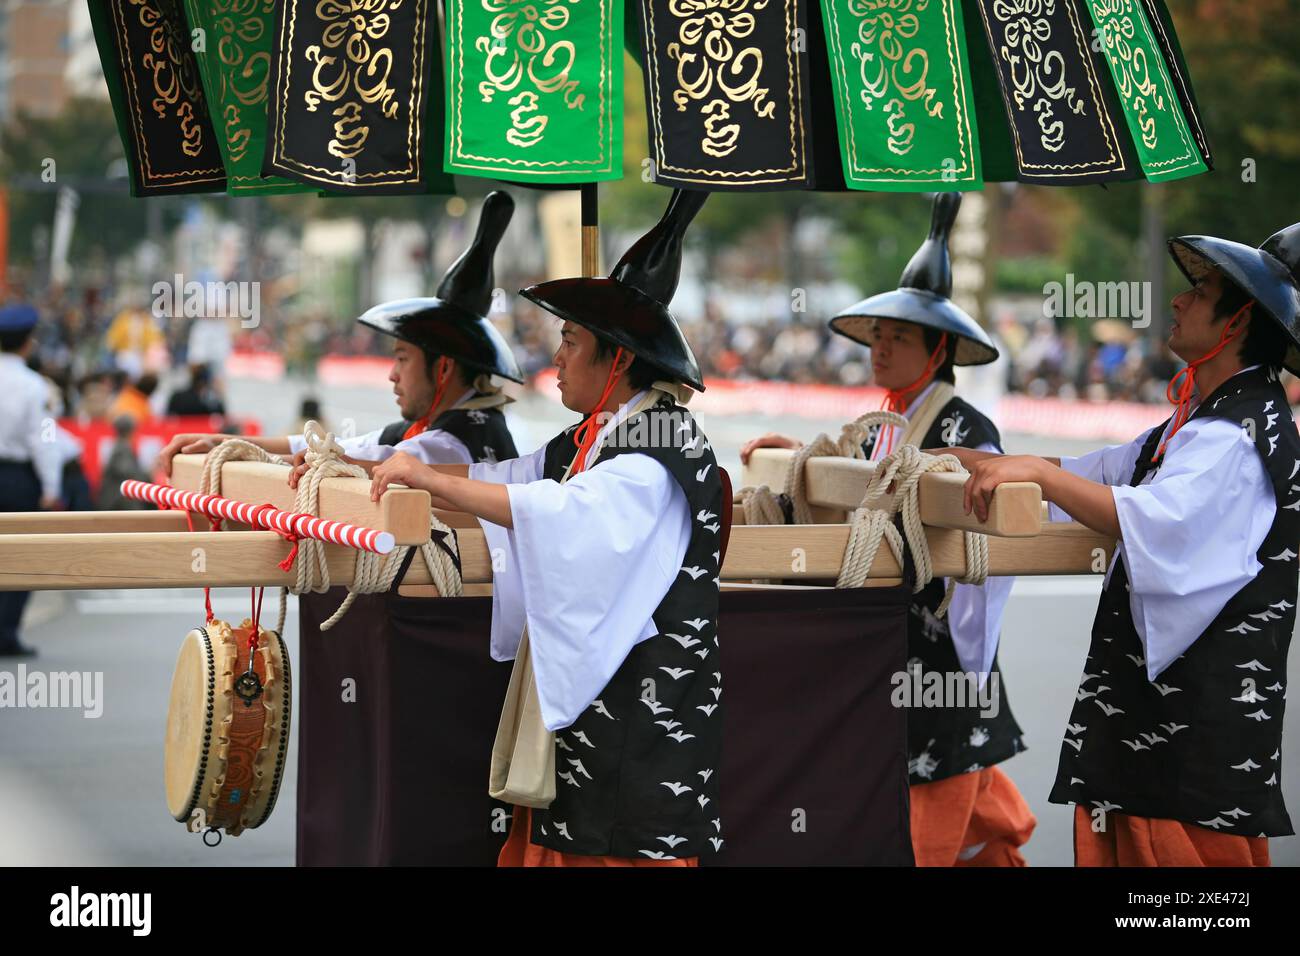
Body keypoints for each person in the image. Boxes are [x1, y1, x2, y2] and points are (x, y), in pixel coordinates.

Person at [368, 189, 725, 866]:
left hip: (644, 718)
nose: (555, 357)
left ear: (616, 359)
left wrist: (434, 481)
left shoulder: (660, 446)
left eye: (570, 340)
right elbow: (515, 483)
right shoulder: (594, 435)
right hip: (595, 710)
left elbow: (561, 516)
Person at [957, 220, 1300, 867]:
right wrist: (970, 462)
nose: (1178, 300)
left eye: (1199, 292)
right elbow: (1098, 473)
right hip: (1159, 728)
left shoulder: (1238, 432)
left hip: (1197, 734)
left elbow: (1154, 518)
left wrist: (1040, 474)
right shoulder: (1198, 423)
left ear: (1239, 321)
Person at [740, 193, 1035, 867]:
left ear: (939, 351)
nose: (880, 347)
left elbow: (969, 529)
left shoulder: (964, 430)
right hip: (885, 647)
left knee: (928, 827)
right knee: (950, 819)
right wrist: (807, 467)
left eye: (898, 337)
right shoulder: (887, 424)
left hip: (933, 659)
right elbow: (862, 499)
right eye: (877, 335)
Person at [157, 191, 524, 477]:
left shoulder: (442, 445)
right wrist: (226, 443)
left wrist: (232, 450)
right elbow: (330, 446)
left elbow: (348, 462)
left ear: (443, 369)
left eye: (402, 359)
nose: (392, 374)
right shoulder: (452, 426)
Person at [0, 304, 62, 657]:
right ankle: (6, 632)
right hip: (16, 477)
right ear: (28, 343)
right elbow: (45, 439)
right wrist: (51, 486)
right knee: (19, 556)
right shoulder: (35, 387)